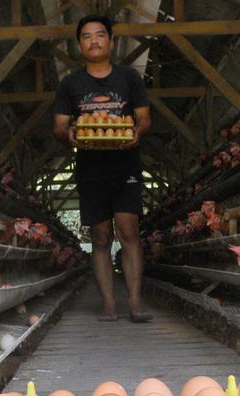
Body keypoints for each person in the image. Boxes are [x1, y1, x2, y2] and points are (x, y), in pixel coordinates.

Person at [52, 14, 153, 323]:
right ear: (79, 44)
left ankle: (135, 301)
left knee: (129, 231)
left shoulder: (129, 78)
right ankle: (109, 303)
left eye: (99, 35)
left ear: (111, 40)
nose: (94, 41)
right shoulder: (70, 83)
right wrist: (70, 135)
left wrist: (135, 133)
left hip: (126, 165)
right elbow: (59, 126)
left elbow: (144, 119)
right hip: (89, 166)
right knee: (99, 237)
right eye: (86, 36)